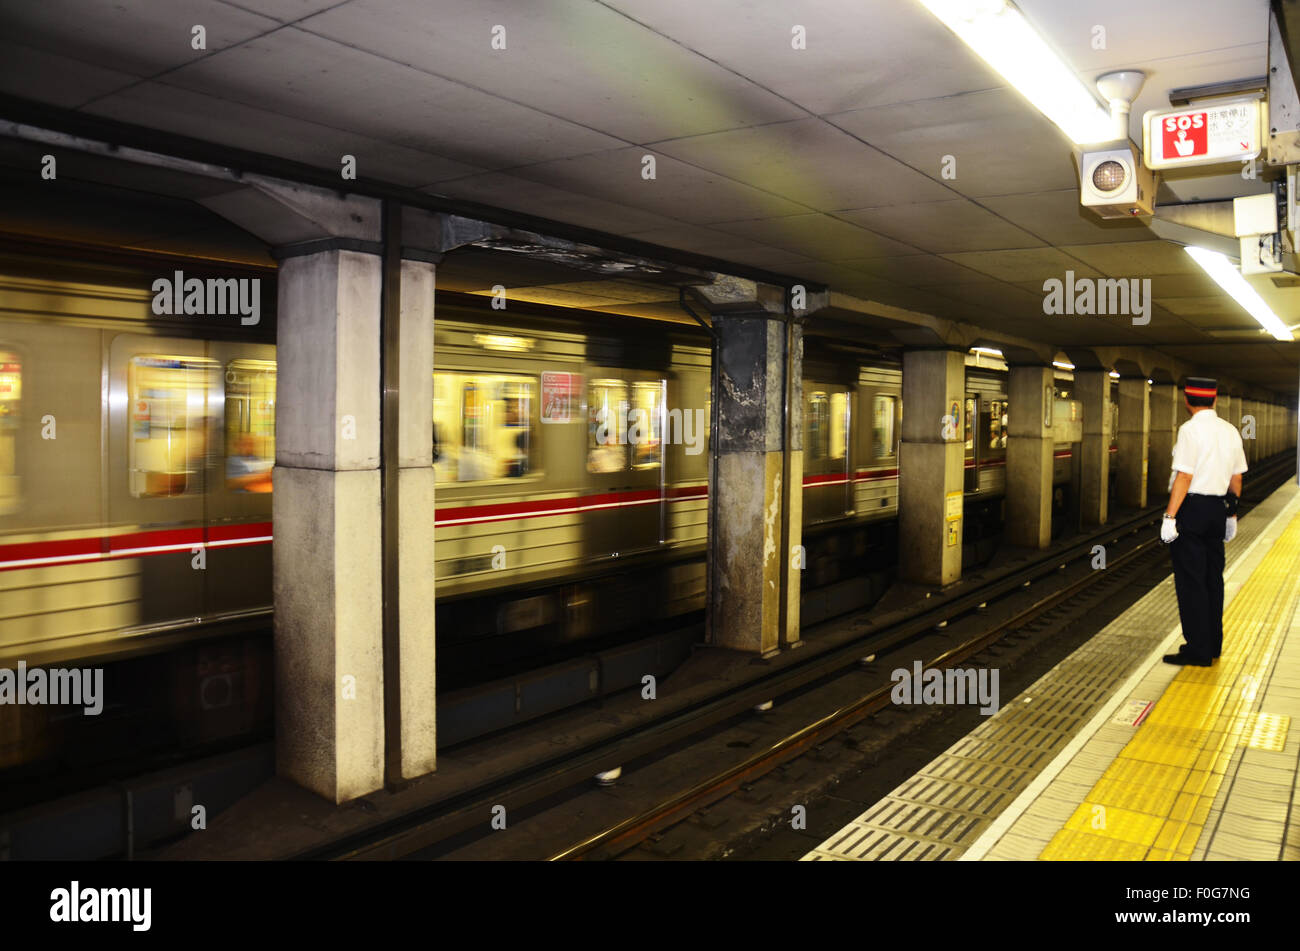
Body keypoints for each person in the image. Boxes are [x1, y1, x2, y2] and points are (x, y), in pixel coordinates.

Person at [1159, 377, 1247, 666]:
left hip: (1192, 509)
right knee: (1212, 579)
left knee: (1191, 581)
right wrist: (1231, 514)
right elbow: (1236, 476)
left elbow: (1184, 476)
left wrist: (1170, 517)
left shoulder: (1190, 430)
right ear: (1215, 399)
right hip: (1217, 509)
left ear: (1187, 400)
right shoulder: (1230, 430)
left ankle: (1197, 649)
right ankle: (1213, 644)